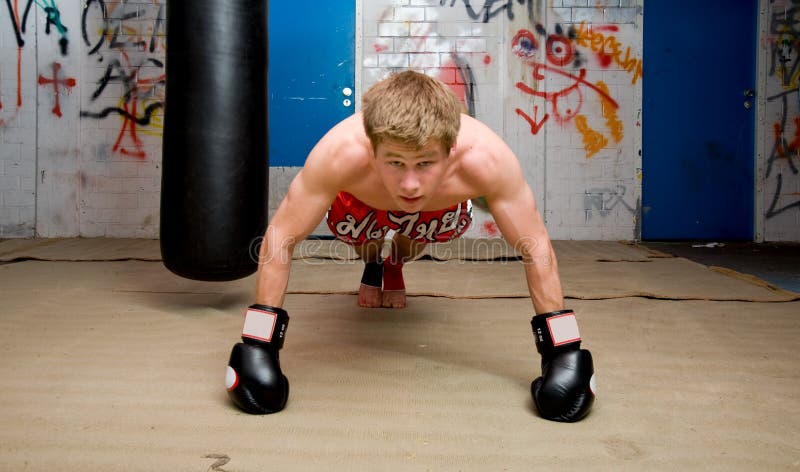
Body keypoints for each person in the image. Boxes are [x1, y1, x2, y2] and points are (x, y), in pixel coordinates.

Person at [224, 71, 596, 422]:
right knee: (365, 241)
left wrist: (563, 352)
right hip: (362, 205)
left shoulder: (486, 158)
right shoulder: (340, 151)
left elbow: (535, 245)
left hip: (436, 211)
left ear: (451, 150)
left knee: (413, 237)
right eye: (395, 162)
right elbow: (280, 236)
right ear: (372, 147)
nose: (410, 183)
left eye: (425, 163)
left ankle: (396, 263)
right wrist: (259, 343)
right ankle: (374, 264)